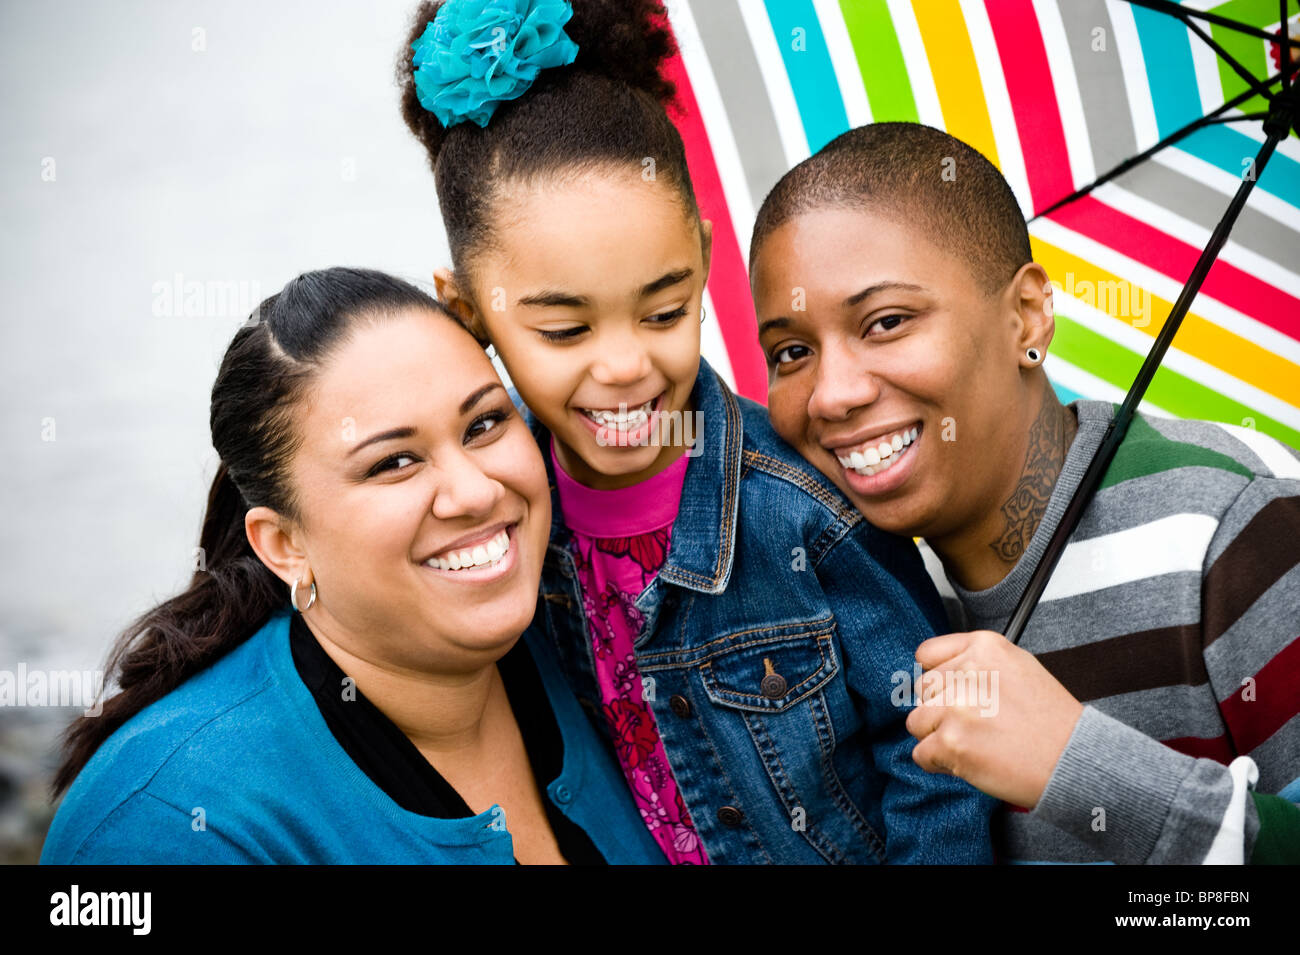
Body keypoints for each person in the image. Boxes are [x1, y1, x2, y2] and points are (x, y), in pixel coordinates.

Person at [397, 0, 994, 863]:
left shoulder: (801, 512)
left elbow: (937, 750)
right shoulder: (490, 516)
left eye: (666, 310)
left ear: (706, 258)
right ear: (467, 314)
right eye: (565, 331)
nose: (624, 367)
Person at [748, 121, 1300, 864]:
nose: (832, 395)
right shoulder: (859, 599)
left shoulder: (1225, 525)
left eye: (886, 321)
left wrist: (1077, 763)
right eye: (792, 352)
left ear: (1028, 316)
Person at [40, 268, 666, 864]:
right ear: (284, 545)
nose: (475, 491)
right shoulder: (169, 828)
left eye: (483, 423)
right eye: (394, 462)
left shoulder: (597, 638)